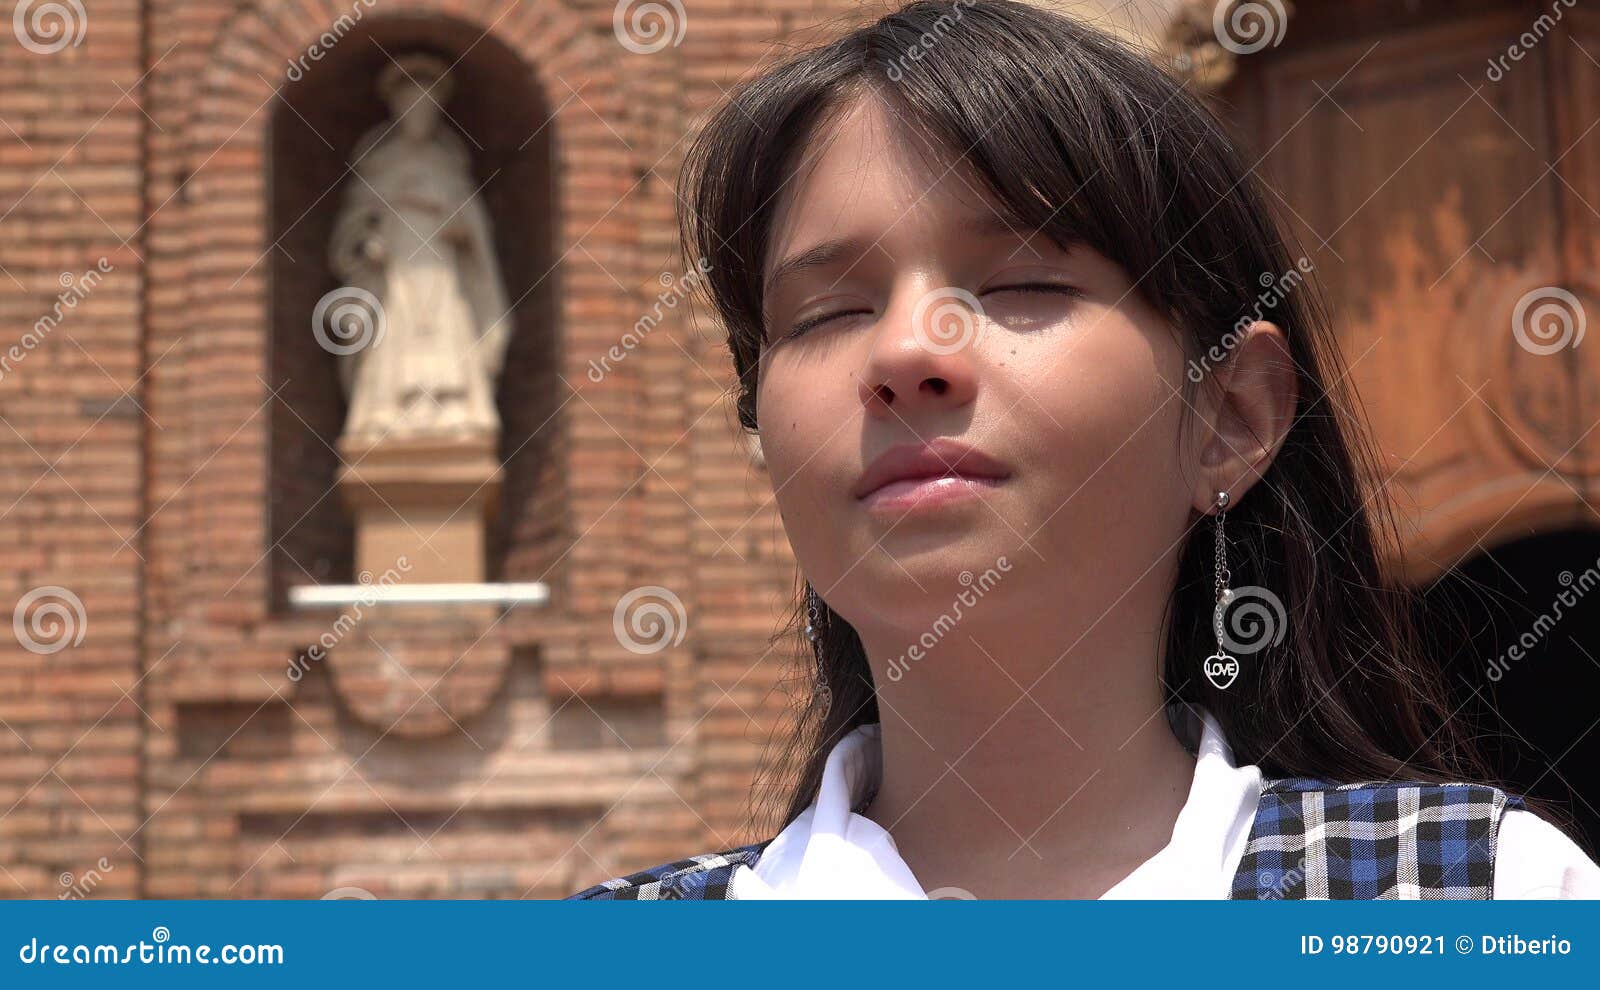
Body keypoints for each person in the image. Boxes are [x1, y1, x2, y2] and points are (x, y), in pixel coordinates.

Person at [567, 0, 1600, 900]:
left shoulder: (1474, 896)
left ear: (1231, 417)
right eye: (828, 311)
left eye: (1022, 286)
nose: (904, 354)